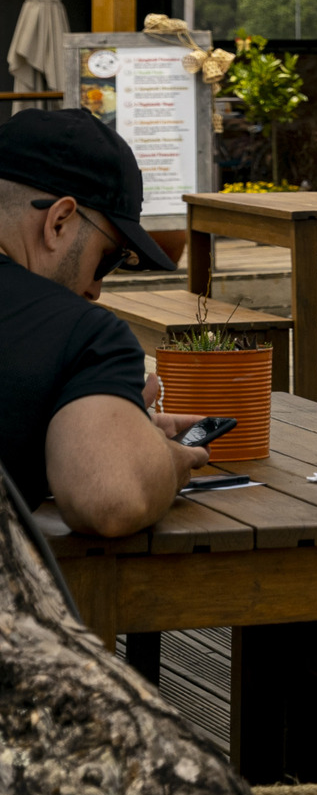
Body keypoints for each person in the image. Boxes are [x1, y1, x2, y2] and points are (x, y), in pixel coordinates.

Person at [0, 110, 205, 535]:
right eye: (109, 259)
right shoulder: (82, 333)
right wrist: (159, 459)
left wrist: (100, 424)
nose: (96, 290)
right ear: (58, 221)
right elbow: (111, 500)